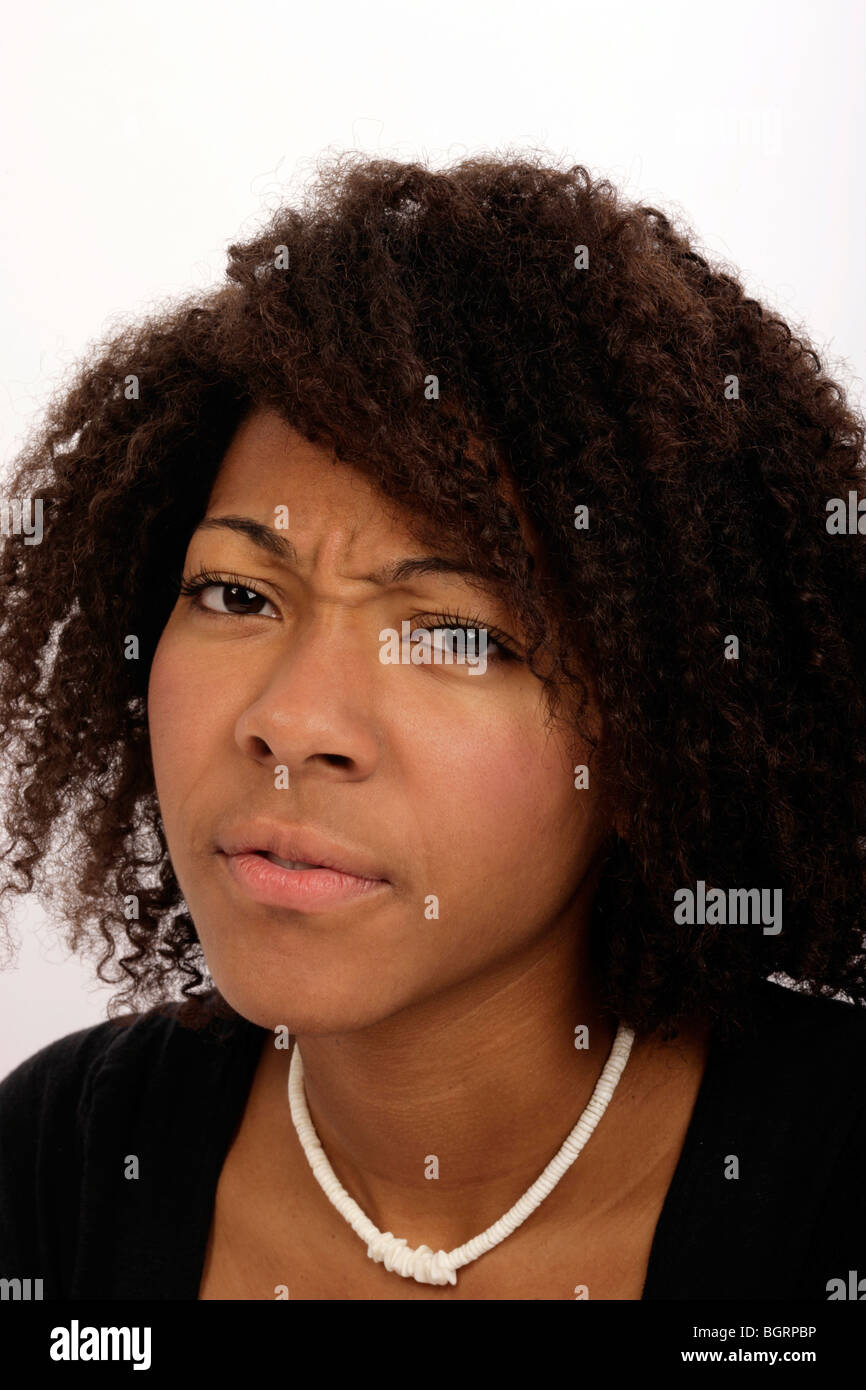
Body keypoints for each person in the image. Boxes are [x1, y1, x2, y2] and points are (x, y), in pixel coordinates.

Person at [0, 153, 864, 1301]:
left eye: (456, 637)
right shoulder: (60, 1163)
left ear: (663, 732)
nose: (290, 723)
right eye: (236, 595)